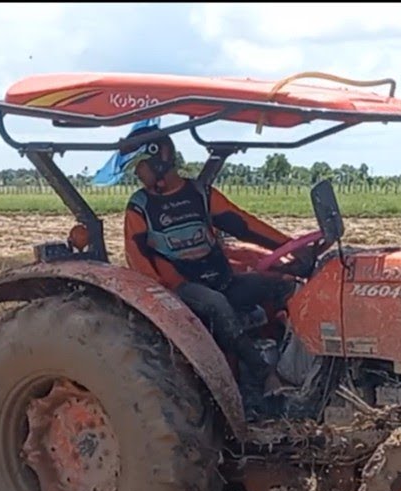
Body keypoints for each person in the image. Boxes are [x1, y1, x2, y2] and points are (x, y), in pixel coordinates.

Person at [121, 130, 300, 418]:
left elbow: (244, 224)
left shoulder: (200, 194)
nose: (137, 175)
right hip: (182, 289)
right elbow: (137, 258)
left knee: (282, 286)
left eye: (139, 167)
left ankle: (297, 361)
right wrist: (159, 301)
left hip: (222, 280)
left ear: (159, 159)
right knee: (216, 304)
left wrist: (290, 248)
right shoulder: (140, 207)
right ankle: (264, 373)